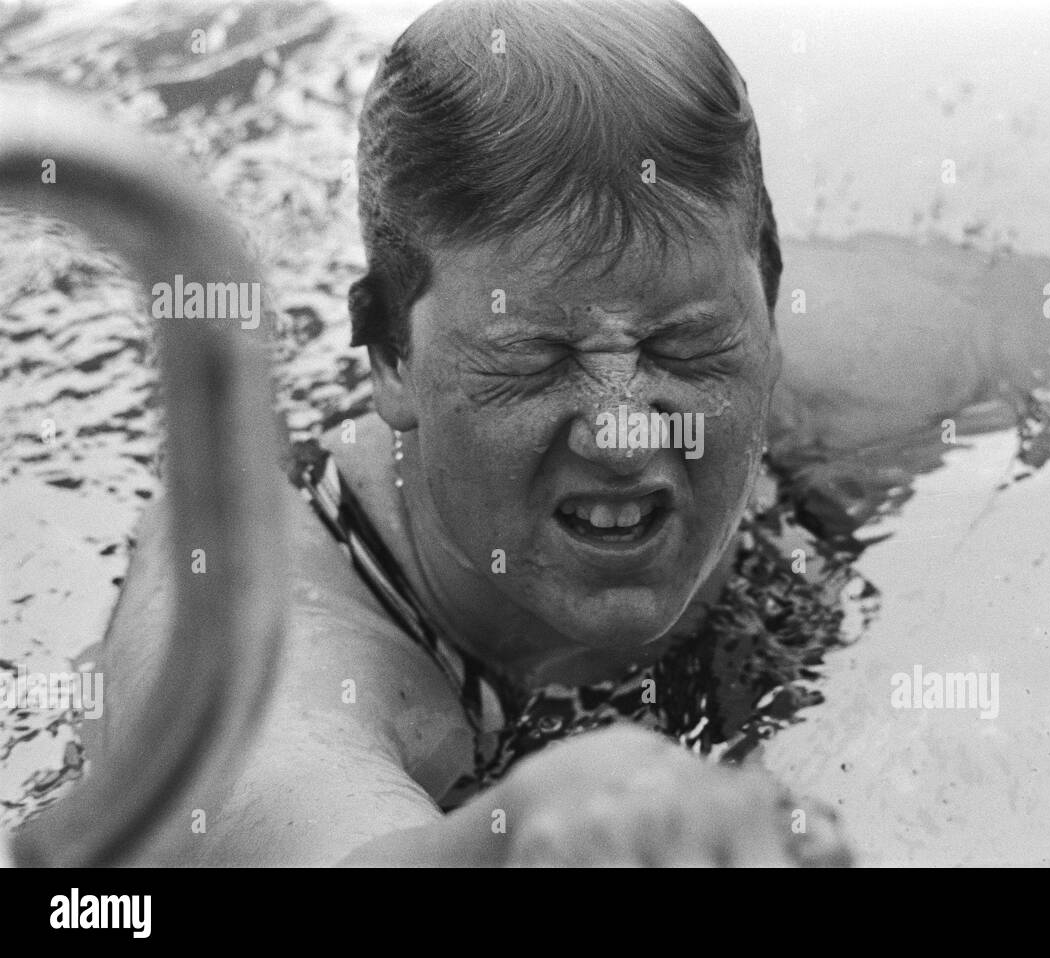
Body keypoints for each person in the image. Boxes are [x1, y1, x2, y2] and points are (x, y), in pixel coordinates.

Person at [96, 0, 851, 867]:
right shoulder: (256, 612)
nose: (623, 436)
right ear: (389, 352)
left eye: (682, 347)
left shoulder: (820, 394)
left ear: (770, 294)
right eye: (534, 359)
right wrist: (508, 835)